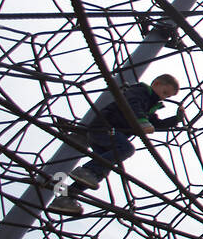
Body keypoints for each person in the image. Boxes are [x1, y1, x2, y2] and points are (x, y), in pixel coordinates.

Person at [50, 73, 183, 216]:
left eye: (167, 97)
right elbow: (132, 104)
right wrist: (142, 121)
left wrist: (176, 119)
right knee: (126, 149)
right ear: (156, 83)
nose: (163, 97)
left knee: (101, 170)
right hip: (104, 128)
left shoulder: (151, 105)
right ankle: (84, 170)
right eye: (164, 92)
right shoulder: (140, 91)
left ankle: (66, 198)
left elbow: (156, 124)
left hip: (111, 138)